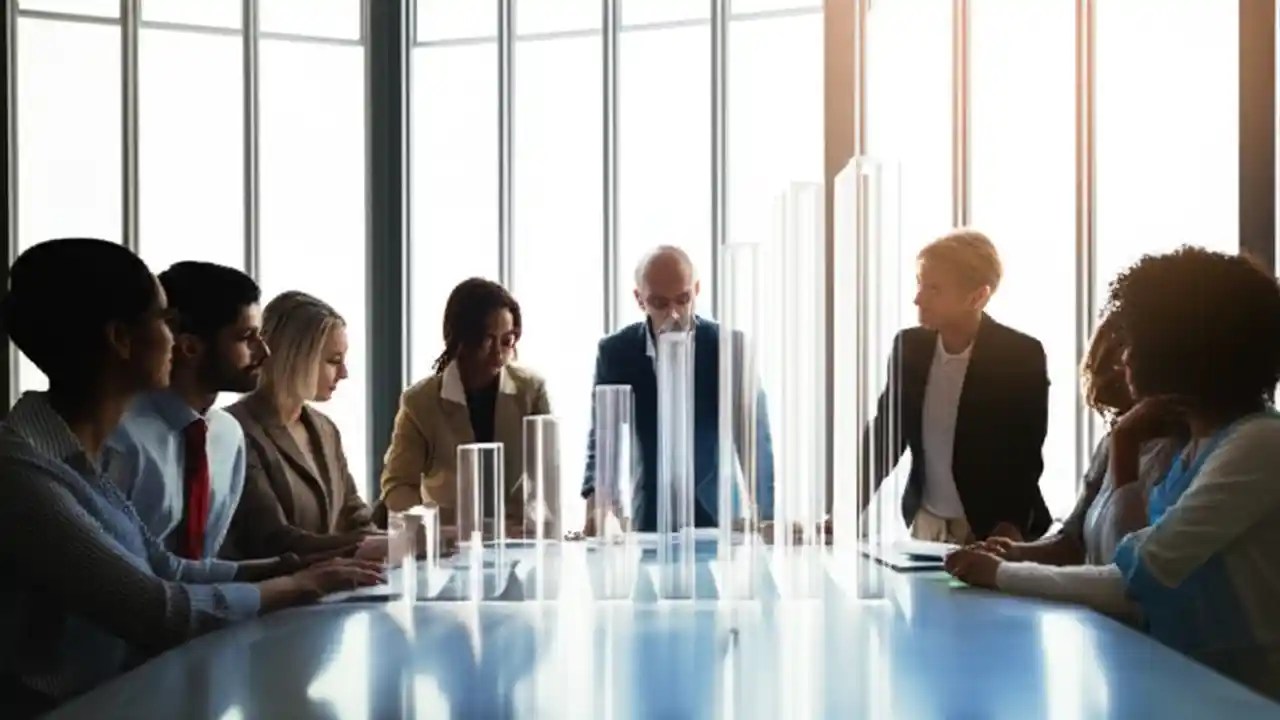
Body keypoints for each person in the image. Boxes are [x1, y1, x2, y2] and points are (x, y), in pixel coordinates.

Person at [0, 239, 382, 715]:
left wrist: (301, 570)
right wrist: (300, 585)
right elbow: (158, 609)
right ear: (121, 339)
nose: (177, 341)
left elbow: (166, 566)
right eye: (166, 321)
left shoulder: (71, 455)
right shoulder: (24, 474)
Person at [946, 246, 1280, 700]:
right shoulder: (1197, 447)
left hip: (1237, 696)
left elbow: (1137, 576)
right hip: (1179, 684)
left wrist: (1000, 573)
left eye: (1132, 341)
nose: (1121, 359)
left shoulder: (1258, 443)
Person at [860, 229, 1050, 543]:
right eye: (920, 283)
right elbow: (885, 437)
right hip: (925, 524)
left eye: (934, 288)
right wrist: (841, 514)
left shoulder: (1019, 355)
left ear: (977, 296)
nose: (918, 298)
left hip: (991, 529)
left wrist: (1010, 529)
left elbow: (1025, 452)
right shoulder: (909, 347)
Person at [581, 245, 775, 533]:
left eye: (683, 299)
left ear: (696, 290)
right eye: (659, 303)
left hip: (720, 517)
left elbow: (755, 441)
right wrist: (597, 509)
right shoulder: (616, 352)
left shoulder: (730, 347)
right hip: (649, 517)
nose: (673, 313)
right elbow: (603, 439)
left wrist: (767, 517)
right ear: (639, 299)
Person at [984, 313, 1181, 566]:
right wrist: (1010, 553)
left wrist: (1125, 444)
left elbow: (1133, 566)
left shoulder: (1185, 449)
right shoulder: (1111, 443)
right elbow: (1071, 544)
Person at [110, 261, 268, 559]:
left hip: (199, 603)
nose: (264, 352)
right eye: (246, 337)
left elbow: (205, 563)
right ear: (189, 347)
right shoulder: (120, 436)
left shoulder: (227, 435)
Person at [380, 278, 551, 532]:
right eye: (486, 340)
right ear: (461, 339)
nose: (497, 354)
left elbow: (546, 477)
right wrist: (434, 530)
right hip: (452, 544)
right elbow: (397, 487)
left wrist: (536, 522)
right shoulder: (421, 402)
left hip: (517, 539)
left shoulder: (531, 392)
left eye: (507, 341)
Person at [225, 291, 379, 559]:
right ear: (296, 356)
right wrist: (373, 546)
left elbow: (356, 517)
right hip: (275, 596)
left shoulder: (325, 429)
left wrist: (410, 541)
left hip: (336, 590)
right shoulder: (235, 430)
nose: (344, 373)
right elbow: (272, 539)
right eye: (333, 361)